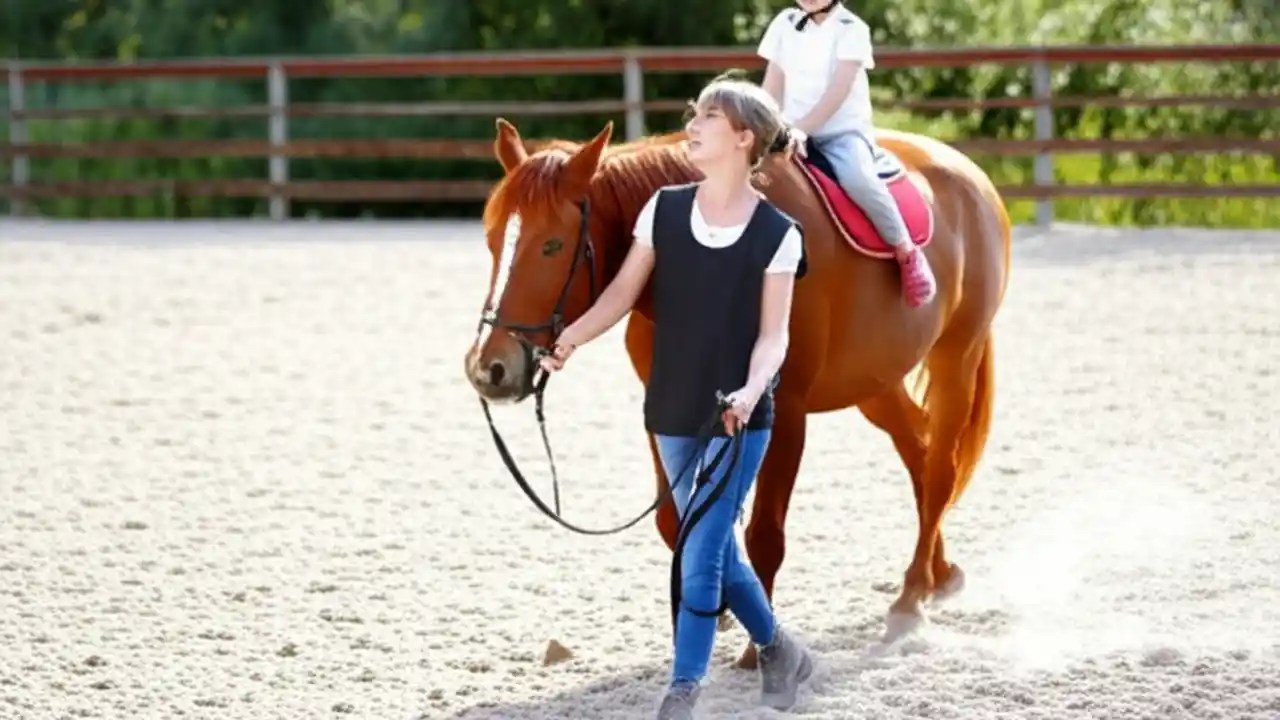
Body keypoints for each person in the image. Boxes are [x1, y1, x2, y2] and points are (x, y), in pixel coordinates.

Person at [538, 74, 815, 719]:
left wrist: (751, 390)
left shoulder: (779, 231)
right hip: (668, 407)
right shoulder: (662, 208)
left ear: (744, 137)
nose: (692, 125)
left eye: (709, 117)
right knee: (713, 542)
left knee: (698, 545)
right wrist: (570, 340)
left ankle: (684, 687)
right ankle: (781, 649)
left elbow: (775, 338)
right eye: (694, 114)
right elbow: (621, 294)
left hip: (738, 417)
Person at [757, 0, 938, 308]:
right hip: (784, 130)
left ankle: (906, 249)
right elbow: (772, 84)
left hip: (839, 134)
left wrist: (803, 128)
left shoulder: (851, 29)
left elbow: (838, 92)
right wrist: (762, 122)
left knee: (858, 179)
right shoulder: (784, 23)